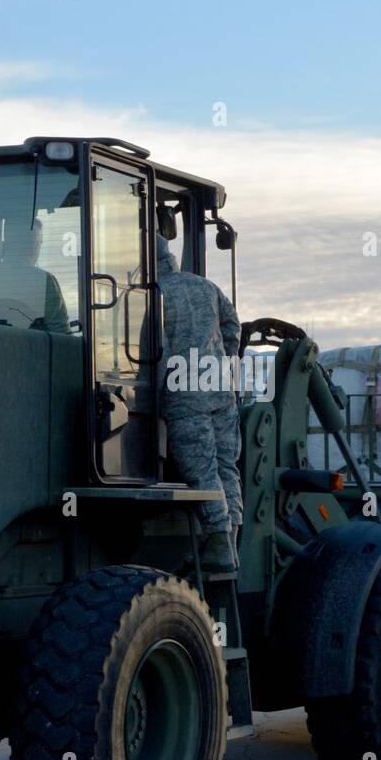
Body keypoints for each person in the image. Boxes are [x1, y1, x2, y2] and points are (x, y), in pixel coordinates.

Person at [156, 234, 243, 571]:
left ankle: (218, 541)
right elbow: (232, 325)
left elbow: (155, 350)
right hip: (219, 387)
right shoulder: (205, 286)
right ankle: (230, 541)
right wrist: (225, 359)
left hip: (184, 390)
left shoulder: (153, 294)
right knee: (226, 465)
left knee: (200, 466)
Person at [0, 219, 70, 332]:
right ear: (34, 245)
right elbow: (61, 337)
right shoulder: (44, 281)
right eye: (39, 242)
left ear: (6, 243)